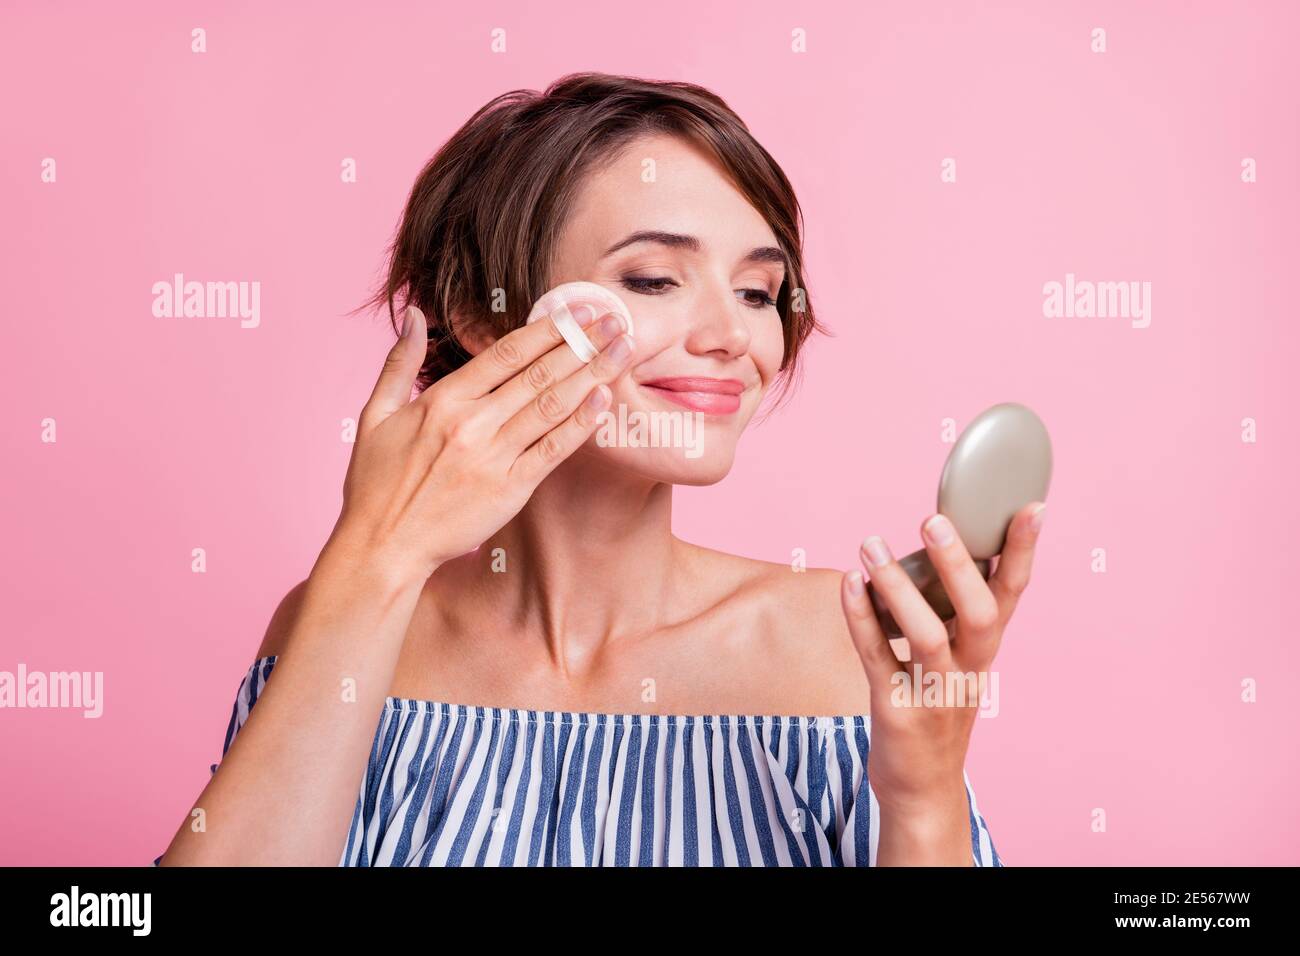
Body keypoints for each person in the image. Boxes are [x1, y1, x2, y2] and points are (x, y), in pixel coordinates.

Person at [156, 72, 1042, 867]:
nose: (732, 338)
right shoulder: (341, 619)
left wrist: (925, 791)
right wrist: (377, 551)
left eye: (757, 292)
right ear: (482, 313)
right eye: (655, 279)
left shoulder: (840, 646)